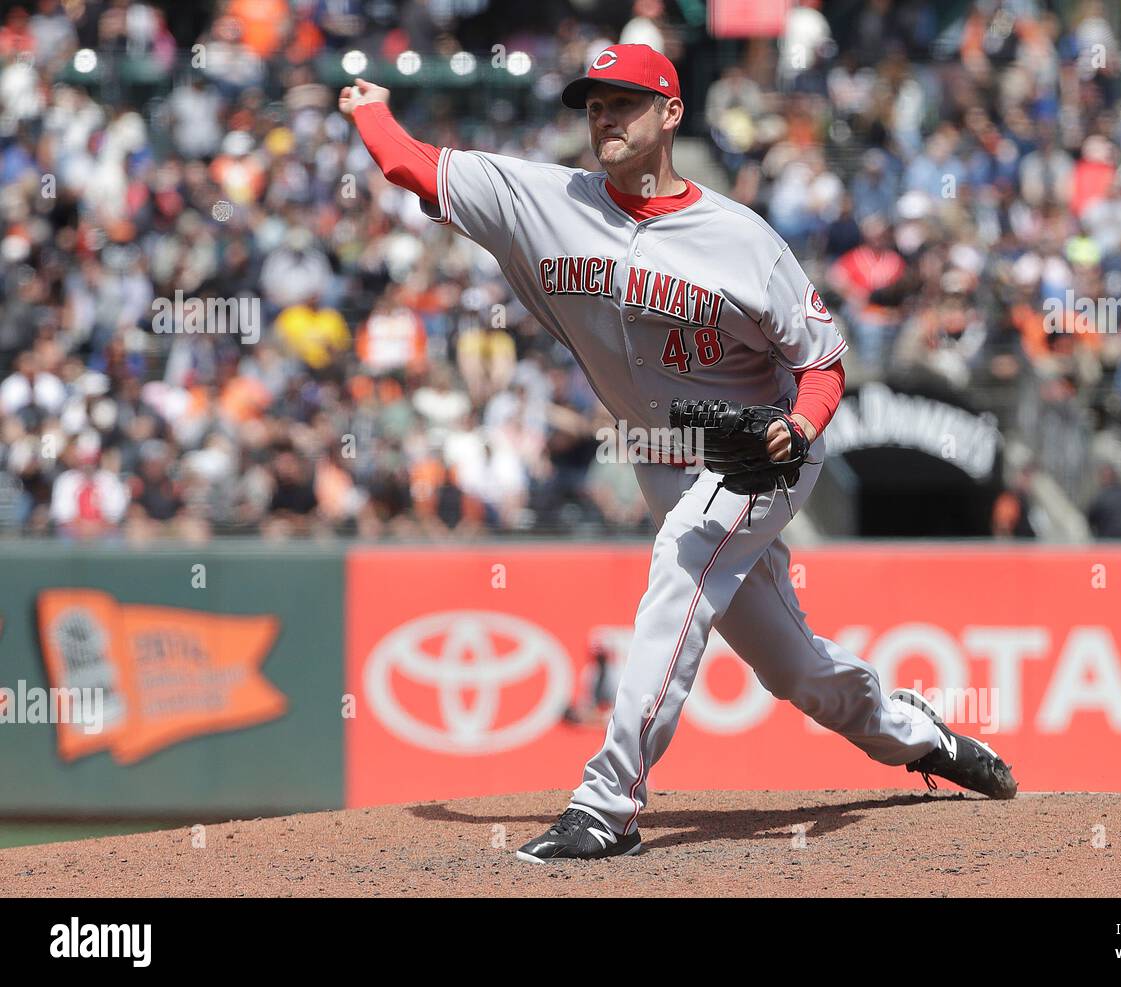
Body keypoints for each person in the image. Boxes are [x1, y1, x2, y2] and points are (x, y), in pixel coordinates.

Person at [341, 44, 1017, 862]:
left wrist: (799, 430)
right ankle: (914, 733)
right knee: (791, 668)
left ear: (670, 114)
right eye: (593, 104)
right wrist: (369, 109)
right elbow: (413, 167)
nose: (604, 117)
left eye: (624, 102)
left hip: (760, 447)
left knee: (683, 555)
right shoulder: (543, 200)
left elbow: (823, 363)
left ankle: (608, 802)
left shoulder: (741, 240)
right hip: (662, 451)